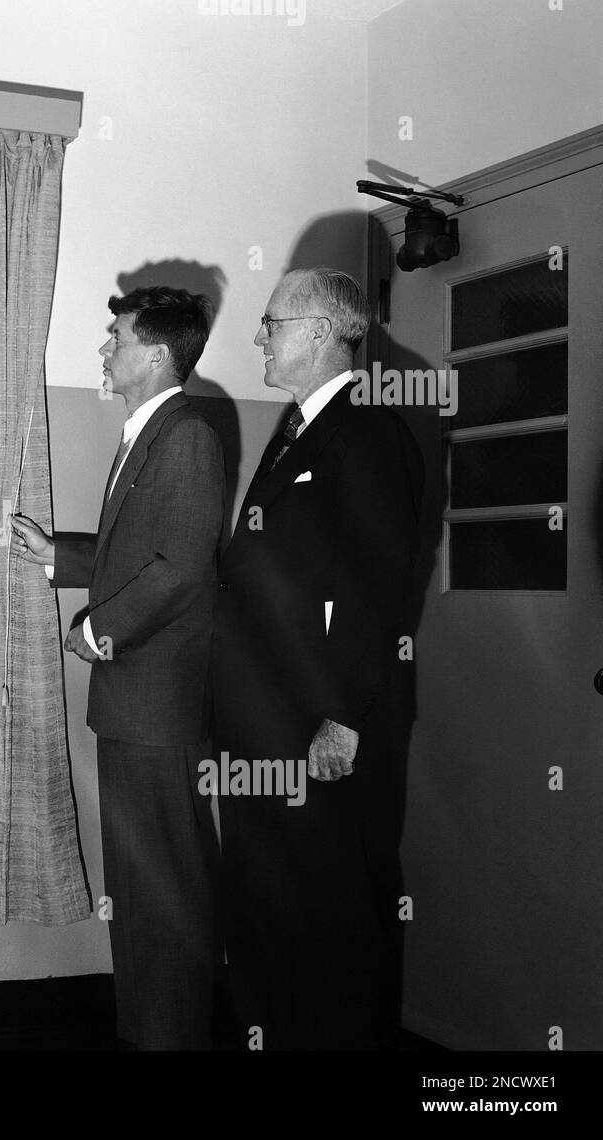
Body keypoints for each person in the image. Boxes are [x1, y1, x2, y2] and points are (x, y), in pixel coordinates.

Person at [211, 267, 424, 1050]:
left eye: (272, 322)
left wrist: (340, 718)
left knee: (327, 920)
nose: (259, 336)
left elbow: (374, 590)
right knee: (265, 912)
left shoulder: (368, 431)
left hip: (317, 728)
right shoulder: (298, 427)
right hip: (264, 721)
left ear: (323, 331)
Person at [11, 286, 225, 1050]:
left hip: (159, 708)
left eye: (117, 338)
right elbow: (140, 552)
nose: (105, 350)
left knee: (165, 889)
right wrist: (59, 558)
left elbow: (182, 567)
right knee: (138, 891)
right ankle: (150, 1033)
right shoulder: (152, 430)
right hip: (137, 704)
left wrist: (98, 630)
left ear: (157, 354)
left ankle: (173, 1037)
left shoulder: (187, 432)